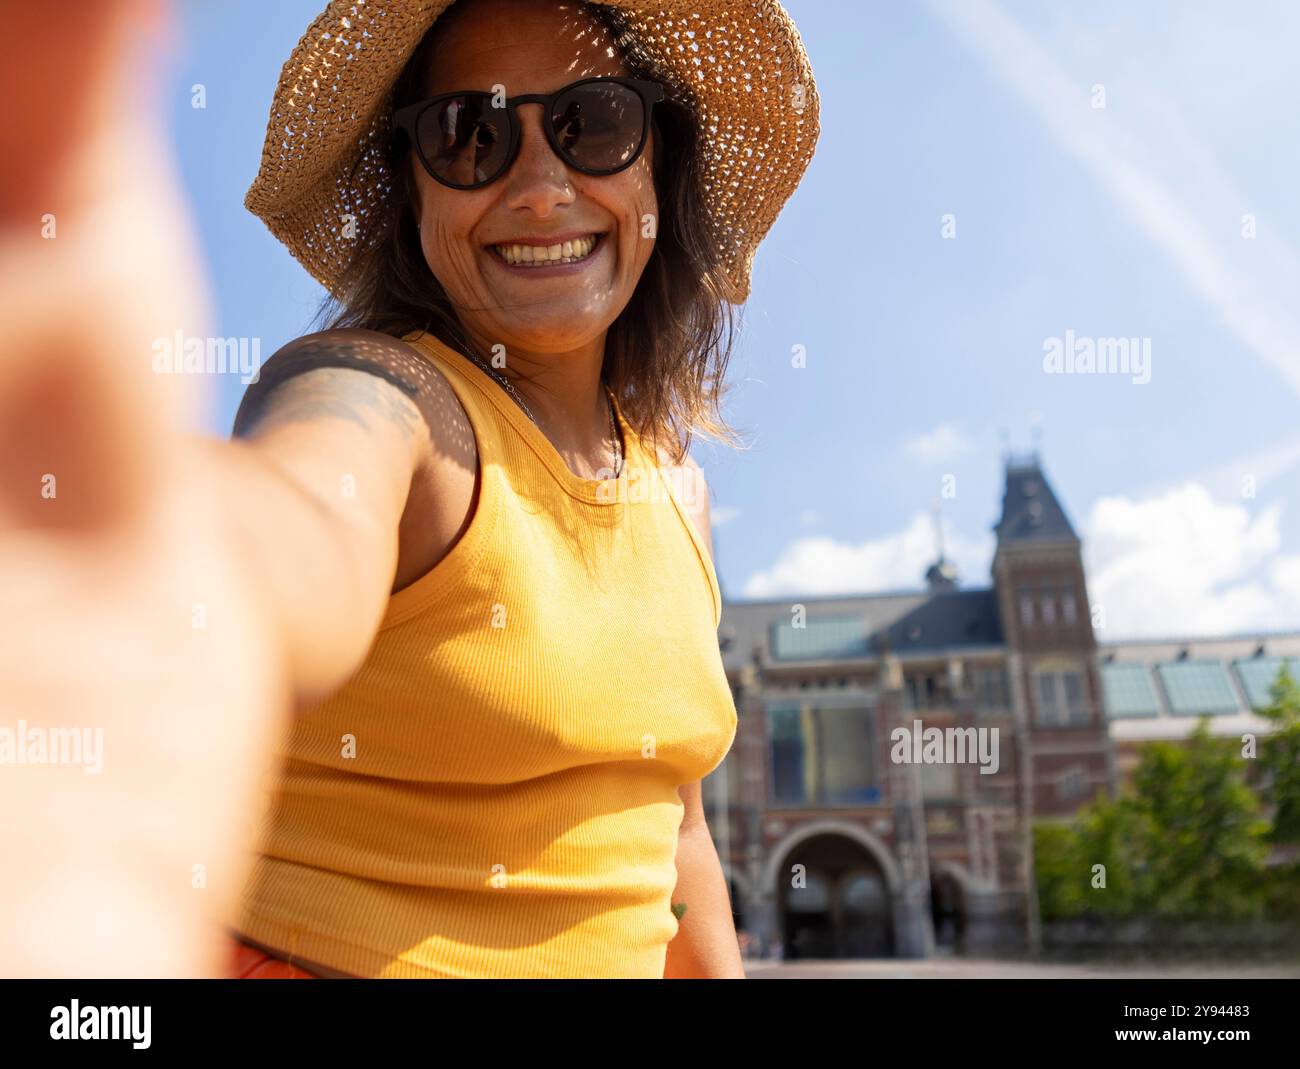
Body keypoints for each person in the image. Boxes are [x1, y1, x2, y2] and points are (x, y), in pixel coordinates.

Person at [1, 0, 818, 979]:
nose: (540, 186)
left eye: (593, 123)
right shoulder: (389, 398)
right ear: (412, 196)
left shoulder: (678, 492)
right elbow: (302, 514)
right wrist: (135, 572)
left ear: (658, 165)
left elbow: (671, 832)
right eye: (470, 135)